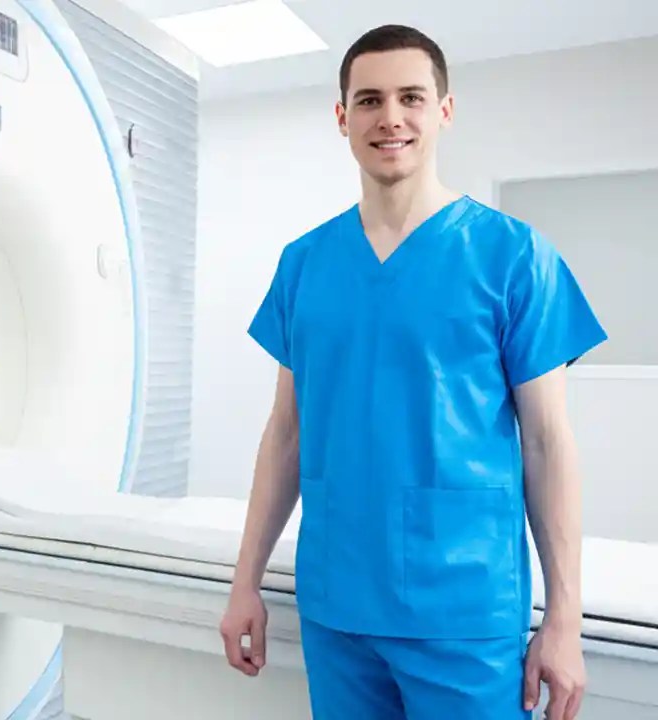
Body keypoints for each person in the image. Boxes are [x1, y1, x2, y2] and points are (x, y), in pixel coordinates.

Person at [217, 23, 607, 720]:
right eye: (368, 100)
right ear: (342, 118)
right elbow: (286, 434)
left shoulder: (514, 257)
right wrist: (245, 581)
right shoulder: (305, 263)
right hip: (337, 608)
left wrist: (564, 622)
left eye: (411, 98)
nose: (389, 117)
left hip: (465, 613)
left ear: (444, 111)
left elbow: (548, 443)